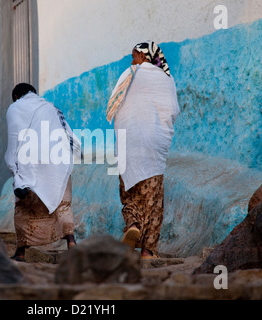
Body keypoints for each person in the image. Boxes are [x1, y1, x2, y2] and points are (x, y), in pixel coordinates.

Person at [107, 41, 180, 259]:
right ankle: (148, 251)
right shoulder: (166, 79)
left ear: (143, 55)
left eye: (134, 55)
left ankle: (132, 224)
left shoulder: (128, 75)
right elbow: (172, 111)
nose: (132, 60)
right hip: (153, 145)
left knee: (130, 195)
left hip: (129, 143)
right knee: (153, 199)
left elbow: (115, 107)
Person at [5, 83, 80, 262]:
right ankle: (71, 242)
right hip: (57, 161)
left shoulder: (15, 108)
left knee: (24, 207)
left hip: (31, 162)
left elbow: (15, 138)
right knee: (62, 205)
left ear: (16, 96)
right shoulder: (52, 107)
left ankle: (21, 252)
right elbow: (70, 137)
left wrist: (14, 169)